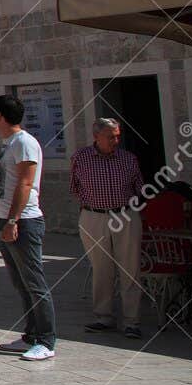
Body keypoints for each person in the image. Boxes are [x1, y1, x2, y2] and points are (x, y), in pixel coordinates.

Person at [0, 94, 55, 361]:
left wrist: (13, 221)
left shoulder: (24, 143)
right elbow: (9, 180)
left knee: (35, 283)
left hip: (23, 221)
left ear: (0, 116)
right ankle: (30, 335)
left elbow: (26, 184)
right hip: (6, 218)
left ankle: (47, 341)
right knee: (21, 282)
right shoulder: (8, 144)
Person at [70, 117, 145, 339]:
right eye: (110, 136)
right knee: (101, 268)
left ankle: (132, 320)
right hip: (94, 216)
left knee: (130, 268)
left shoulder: (128, 159)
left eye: (117, 136)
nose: (115, 140)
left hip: (125, 215)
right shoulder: (80, 158)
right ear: (96, 136)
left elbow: (140, 187)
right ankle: (103, 316)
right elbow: (75, 187)